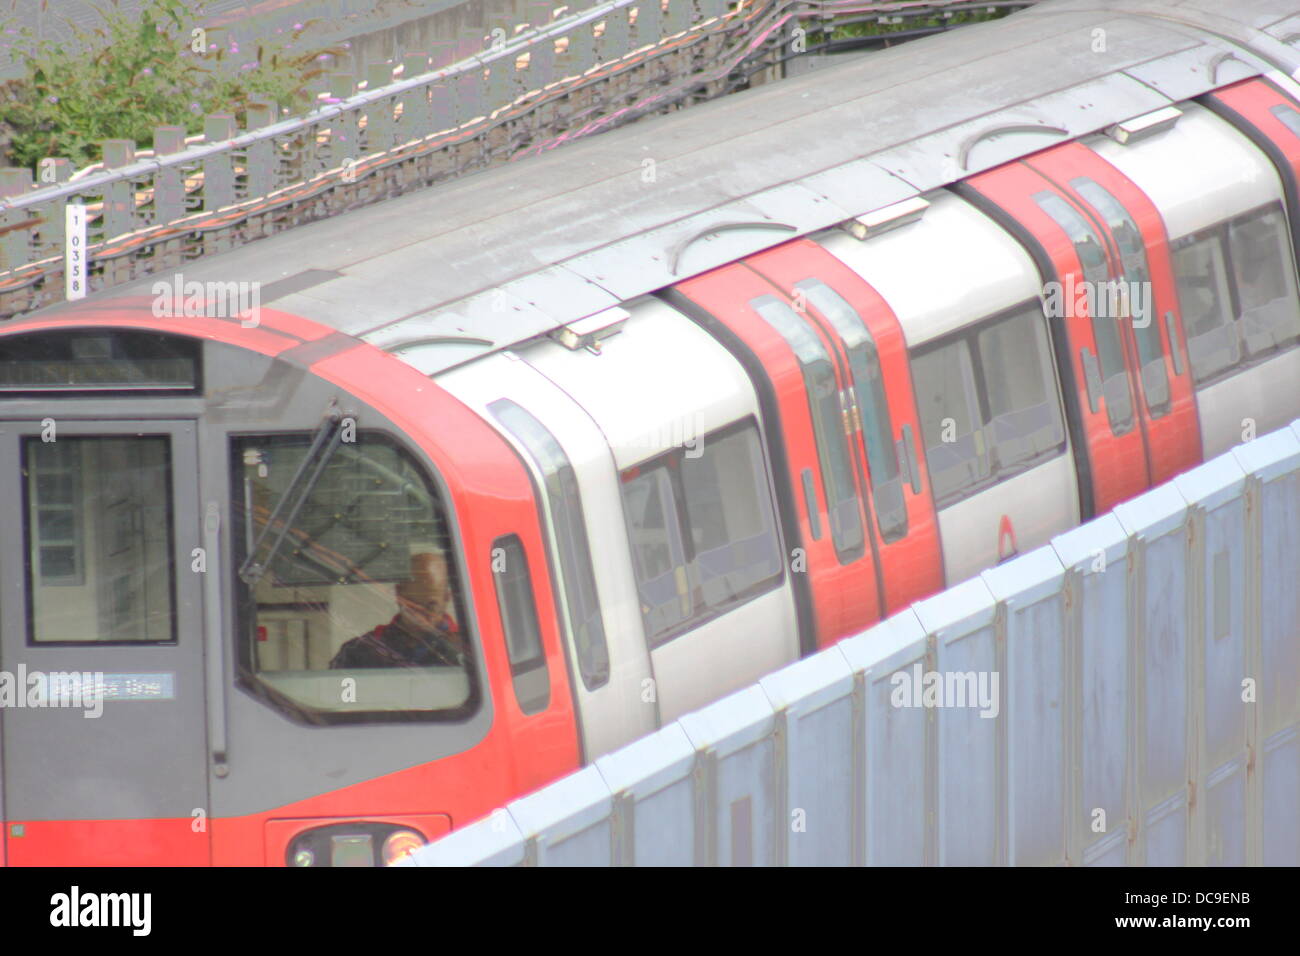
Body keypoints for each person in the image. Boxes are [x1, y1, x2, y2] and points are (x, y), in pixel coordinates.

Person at [329, 551, 465, 669]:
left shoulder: (468, 651)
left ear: (447, 598)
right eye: (412, 605)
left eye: (431, 607)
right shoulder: (358, 653)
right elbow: (341, 696)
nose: (420, 616)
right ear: (398, 595)